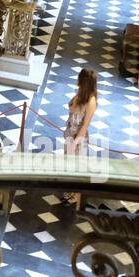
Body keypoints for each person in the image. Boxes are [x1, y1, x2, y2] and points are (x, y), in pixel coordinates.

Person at [61, 67, 98, 202]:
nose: (77, 80)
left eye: (79, 79)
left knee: (76, 167)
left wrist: (75, 143)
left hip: (78, 138)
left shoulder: (91, 101)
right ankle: (70, 189)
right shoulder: (81, 93)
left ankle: (76, 194)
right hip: (69, 134)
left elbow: (84, 126)